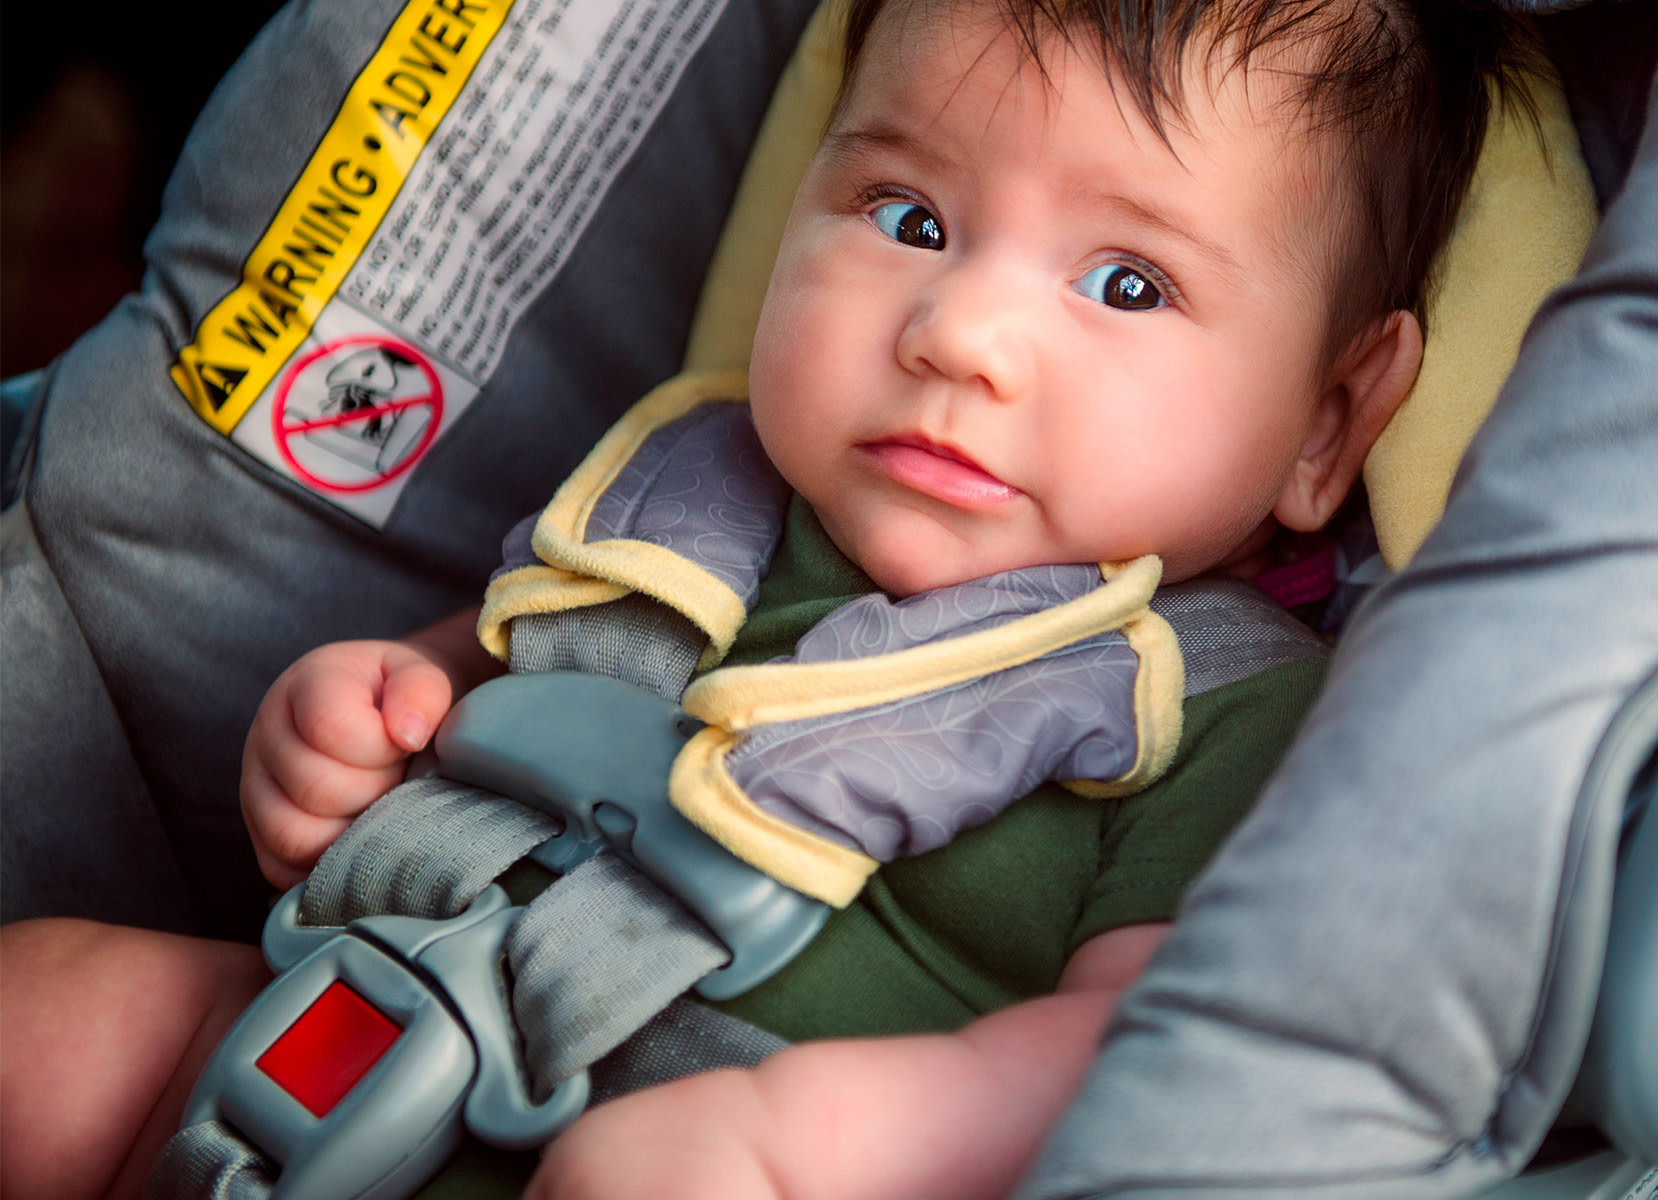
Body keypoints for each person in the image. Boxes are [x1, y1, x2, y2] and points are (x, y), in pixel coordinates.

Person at [0, 0, 1521, 1195]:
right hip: (339, 1022)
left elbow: (1138, 1046)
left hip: (712, 1139)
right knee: (47, 1015)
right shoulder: (692, 475)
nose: (960, 331)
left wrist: (805, 1151)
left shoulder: (1226, 703)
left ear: (1329, 423)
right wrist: (372, 707)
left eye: (1126, 284)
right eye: (909, 217)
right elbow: (519, 653)